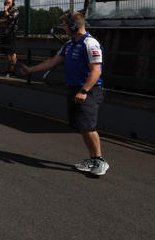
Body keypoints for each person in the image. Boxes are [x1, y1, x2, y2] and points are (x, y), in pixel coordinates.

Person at [20, 12, 108, 176]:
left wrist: (84, 91)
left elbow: (96, 71)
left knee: (88, 126)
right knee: (82, 126)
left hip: (88, 90)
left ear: (74, 26)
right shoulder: (69, 44)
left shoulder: (90, 43)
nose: (64, 29)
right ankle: (93, 158)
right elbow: (52, 62)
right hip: (75, 89)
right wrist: (31, 70)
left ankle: (99, 161)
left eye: (66, 26)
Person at [0, 0, 19, 77]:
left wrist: (7, 13)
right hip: (3, 34)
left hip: (11, 34)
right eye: (6, 2)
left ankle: (12, 71)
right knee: (5, 54)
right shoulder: (1, 12)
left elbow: (11, 18)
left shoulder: (16, 11)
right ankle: (7, 70)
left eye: (9, 2)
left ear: (12, 3)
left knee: (12, 53)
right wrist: (7, 19)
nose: (7, 4)